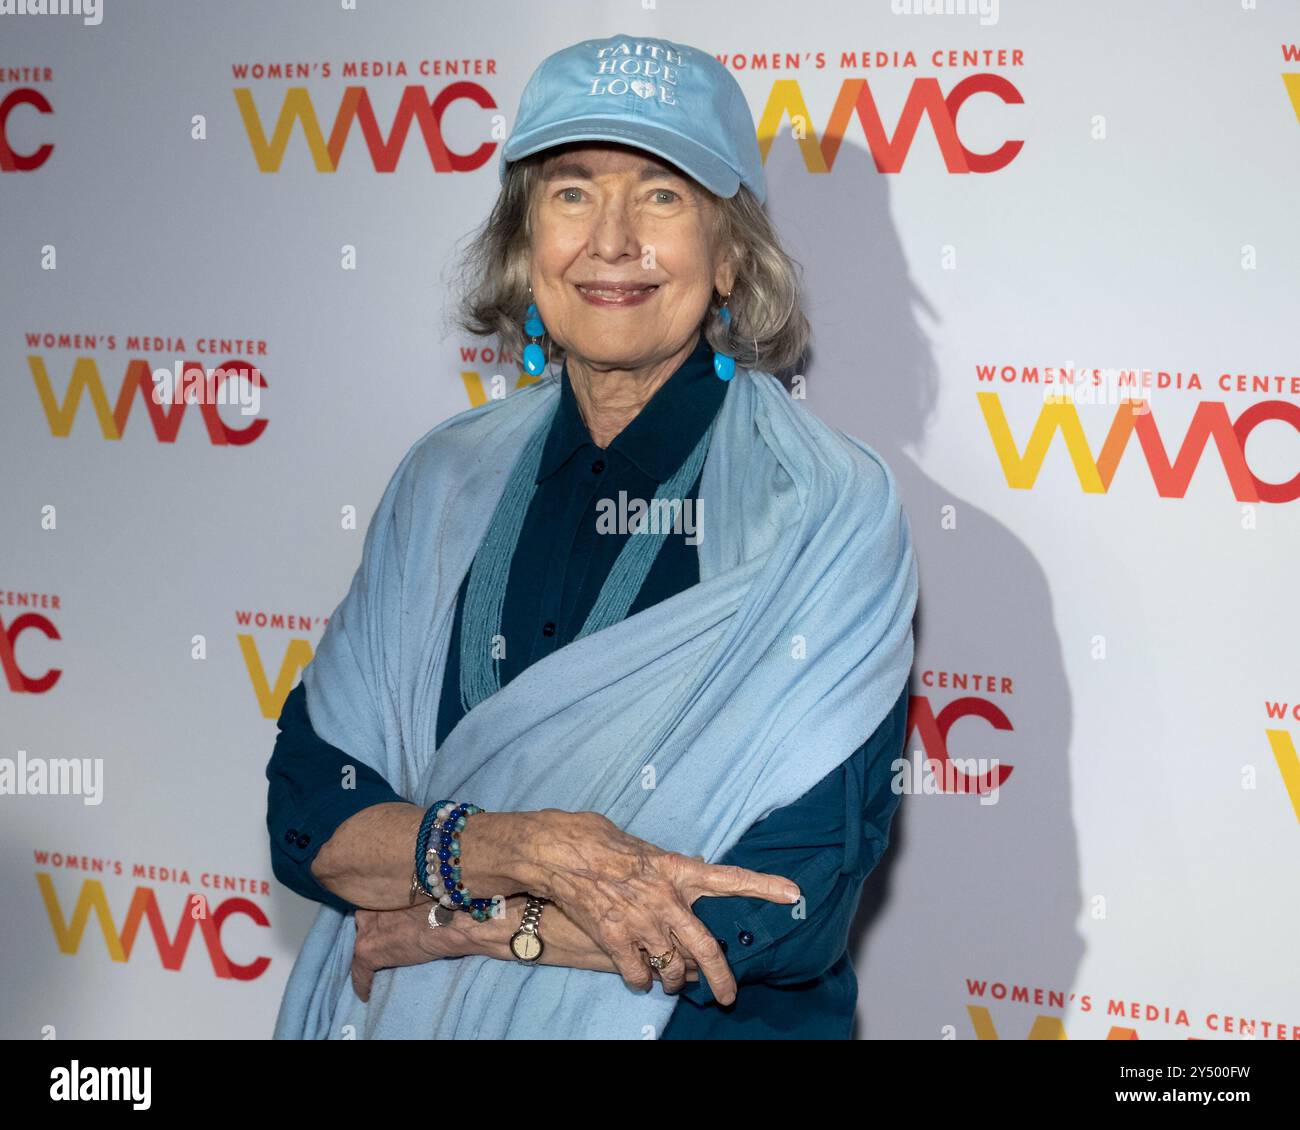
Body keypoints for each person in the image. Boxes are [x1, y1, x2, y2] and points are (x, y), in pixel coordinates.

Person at [266, 32, 918, 1040]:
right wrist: (524, 845)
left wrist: (457, 918)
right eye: (571, 191)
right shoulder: (442, 481)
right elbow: (314, 814)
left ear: (731, 252)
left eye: (661, 195)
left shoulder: (826, 509)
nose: (611, 240)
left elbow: (779, 906)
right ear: (526, 245)